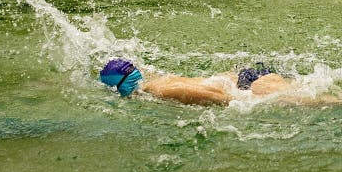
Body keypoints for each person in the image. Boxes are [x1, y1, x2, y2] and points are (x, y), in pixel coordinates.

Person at [99, 59, 291, 106]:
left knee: (309, 101)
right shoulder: (154, 83)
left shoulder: (161, 90)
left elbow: (222, 98)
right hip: (247, 79)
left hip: (250, 86)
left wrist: (247, 103)